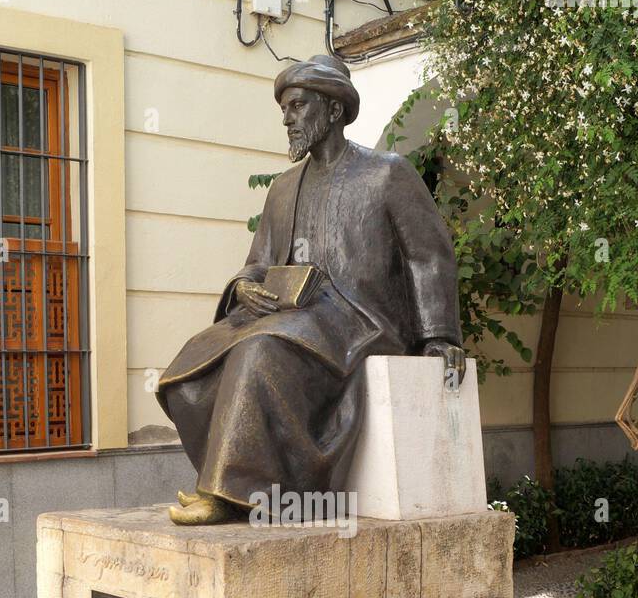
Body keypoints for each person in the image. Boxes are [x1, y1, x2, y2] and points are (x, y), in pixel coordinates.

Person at [159, 52, 464, 524]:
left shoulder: (387, 173)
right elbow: (257, 263)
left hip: (363, 320)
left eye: (297, 106)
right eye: (284, 109)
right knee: (197, 357)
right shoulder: (283, 187)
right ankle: (251, 486)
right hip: (296, 315)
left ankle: (230, 492)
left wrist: (439, 335)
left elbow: (429, 256)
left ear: (334, 110)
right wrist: (243, 289)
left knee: (259, 351)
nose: (287, 119)